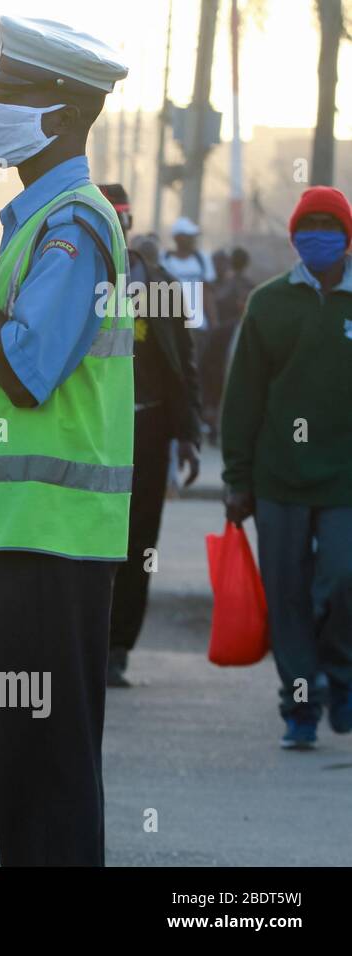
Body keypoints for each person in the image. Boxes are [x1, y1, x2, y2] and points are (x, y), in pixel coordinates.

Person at [0, 15, 132, 866]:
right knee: (20, 772)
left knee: (46, 776)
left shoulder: (71, 227)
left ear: (68, 112)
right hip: (28, 538)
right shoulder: (38, 221)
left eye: (14, 95)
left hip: (54, 543)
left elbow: (24, 369)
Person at [221, 185, 352, 750]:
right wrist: (236, 478)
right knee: (288, 597)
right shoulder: (269, 303)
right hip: (278, 480)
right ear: (294, 235)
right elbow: (243, 395)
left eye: (330, 224)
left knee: (342, 581)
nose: (318, 234)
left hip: (345, 480)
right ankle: (300, 706)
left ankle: (340, 679)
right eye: (309, 225)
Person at [97, 185, 203, 688]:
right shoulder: (73, 277)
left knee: (139, 544)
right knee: (94, 540)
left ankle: (118, 648)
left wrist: (188, 433)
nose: (116, 225)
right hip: (92, 433)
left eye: (123, 216)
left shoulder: (158, 286)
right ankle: (87, 641)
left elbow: (184, 362)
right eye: (107, 215)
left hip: (149, 430)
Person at [203, 246, 253, 442]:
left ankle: (216, 423)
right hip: (235, 336)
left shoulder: (225, 286)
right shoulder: (250, 286)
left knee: (218, 379)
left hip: (222, 338)